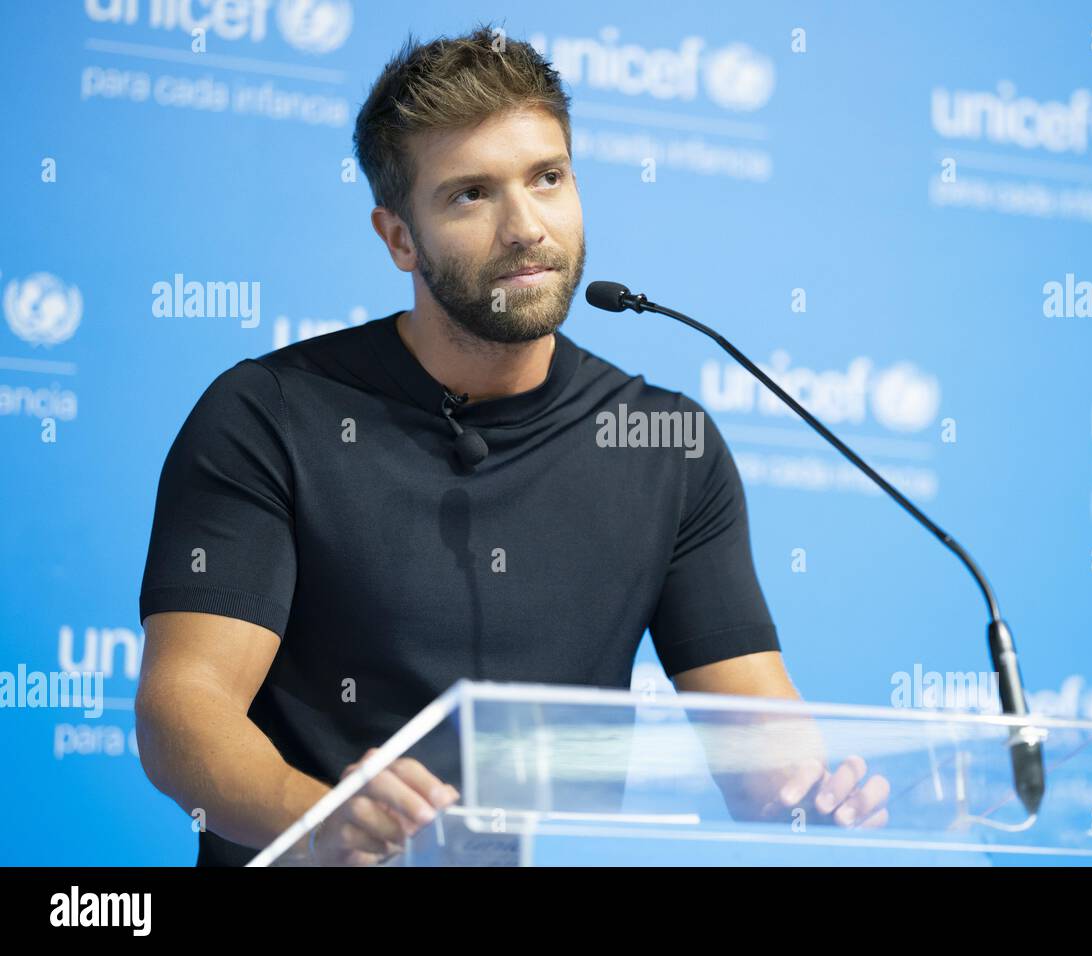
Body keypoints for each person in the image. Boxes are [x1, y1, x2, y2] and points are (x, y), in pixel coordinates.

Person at [134, 24, 888, 867]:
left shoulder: (665, 441)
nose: (526, 226)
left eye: (548, 178)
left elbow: (760, 748)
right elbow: (184, 710)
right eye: (471, 194)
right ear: (398, 238)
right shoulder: (269, 414)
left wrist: (817, 802)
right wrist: (322, 822)